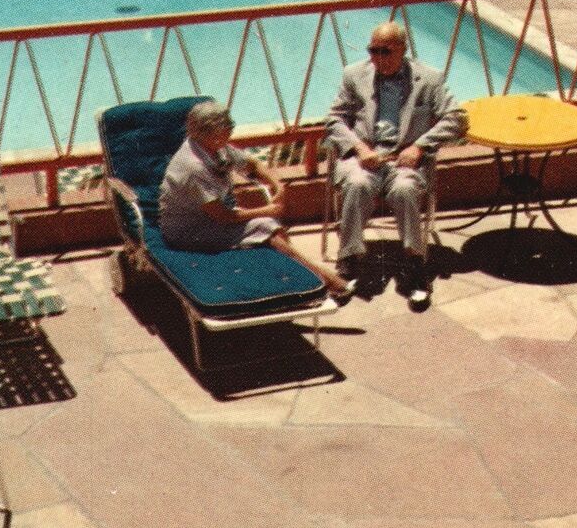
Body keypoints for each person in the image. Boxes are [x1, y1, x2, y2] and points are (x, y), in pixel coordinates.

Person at [326, 21, 468, 312]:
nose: (377, 58)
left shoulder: (428, 79)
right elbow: (334, 119)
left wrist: (420, 146)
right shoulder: (355, 75)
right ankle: (350, 259)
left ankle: (415, 263)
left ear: (403, 49)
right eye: (372, 51)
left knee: (404, 190)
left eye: (385, 51)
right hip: (365, 156)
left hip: (404, 159)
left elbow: (457, 119)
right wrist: (359, 147)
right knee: (357, 184)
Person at [159, 100, 355, 303]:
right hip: (191, 231)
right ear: (212, 133)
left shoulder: (215, 148)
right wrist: (268, 210)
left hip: (214, 217)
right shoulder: (195, 167)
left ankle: (307, 280)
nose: (231, 131)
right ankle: (328, 281)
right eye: (228, 127)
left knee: (272, 229)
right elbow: (223, 215)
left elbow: (251, 165)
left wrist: (277, 184)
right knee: (265, 226)